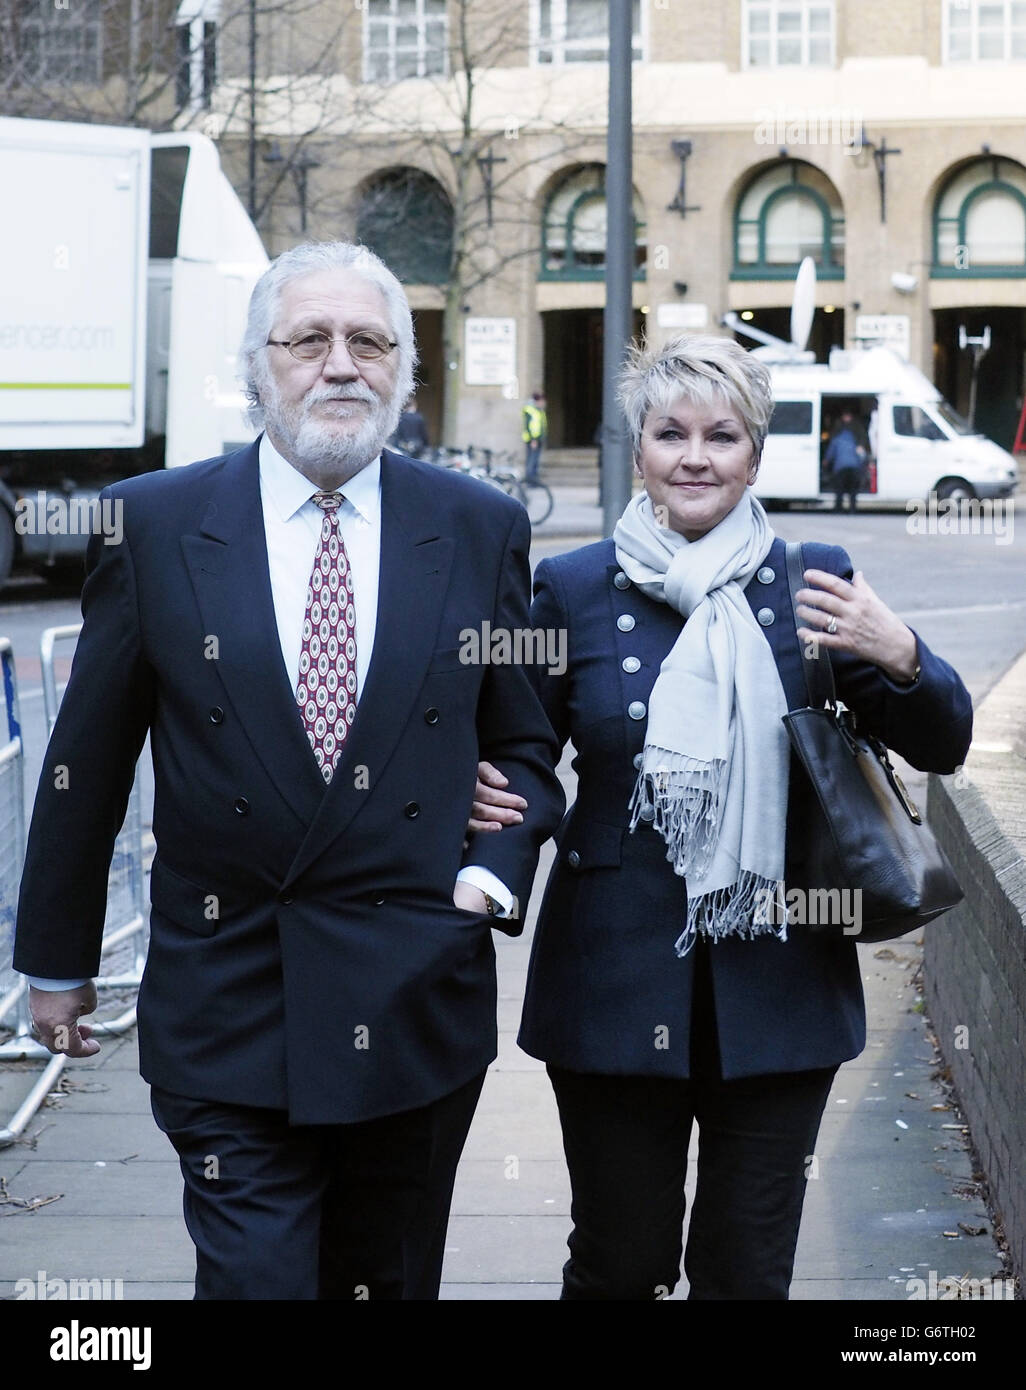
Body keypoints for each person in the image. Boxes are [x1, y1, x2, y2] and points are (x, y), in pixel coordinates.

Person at [13, 240, 564, 1301]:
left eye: (369, 341)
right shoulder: (157, 522)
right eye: (309, 339)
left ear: (405, 368)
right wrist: (54, 959)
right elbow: (86, 760)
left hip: (412, 1003)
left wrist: (489, 872)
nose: (340, 365)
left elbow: (526, 746)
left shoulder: (479, 526)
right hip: (227, 1001)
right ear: (257, 364)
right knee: (256, 1279)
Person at [470, 334, 972, 1300]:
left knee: (747, 1269)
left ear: (754, 455)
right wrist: (478, 810)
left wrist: (902, 654)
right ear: (640, 449)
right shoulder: (570, 590)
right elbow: (517, 747)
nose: (694, 457)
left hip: (779, 984)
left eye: (722, 436)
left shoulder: (811, 577)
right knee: (619, 1261)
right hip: (612, 987)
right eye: (670, 434)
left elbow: (943, 742)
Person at [824, 410, 866, 512]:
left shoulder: (836, 440)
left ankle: (838, 509)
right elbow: (862, 455)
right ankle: (852, 509)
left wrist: (826, 461)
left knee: (839, 490)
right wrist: (861, 466)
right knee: (853, 490)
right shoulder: (855, 441)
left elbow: (830, 454)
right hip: (854, 468)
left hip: (840, 468)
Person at [522, 391, 547, 484]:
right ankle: (530, 480)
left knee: (534, 460)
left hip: (537, 439)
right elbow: (530, 426)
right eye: (542, 400)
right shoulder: (531, 410)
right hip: (533, 440)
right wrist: (534, 439)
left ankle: (533, 480)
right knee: (532, 461)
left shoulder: (538, 410)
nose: (543, 403)